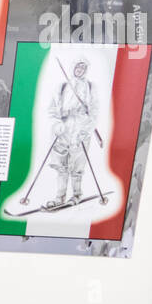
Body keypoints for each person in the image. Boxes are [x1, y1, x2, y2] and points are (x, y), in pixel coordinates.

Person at [47, 57, 98, 208]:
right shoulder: (62, 86)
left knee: (77, 167)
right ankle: (59, 198)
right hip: (63, 131)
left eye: (83, 68)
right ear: (73, 67)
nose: (80, 70)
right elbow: (51, 109)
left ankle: (76, 195)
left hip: (80, 130)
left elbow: (95, 112)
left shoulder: (90, 87)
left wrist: (85, 130)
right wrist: (56, 124)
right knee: (61, 167)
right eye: (78, 67)